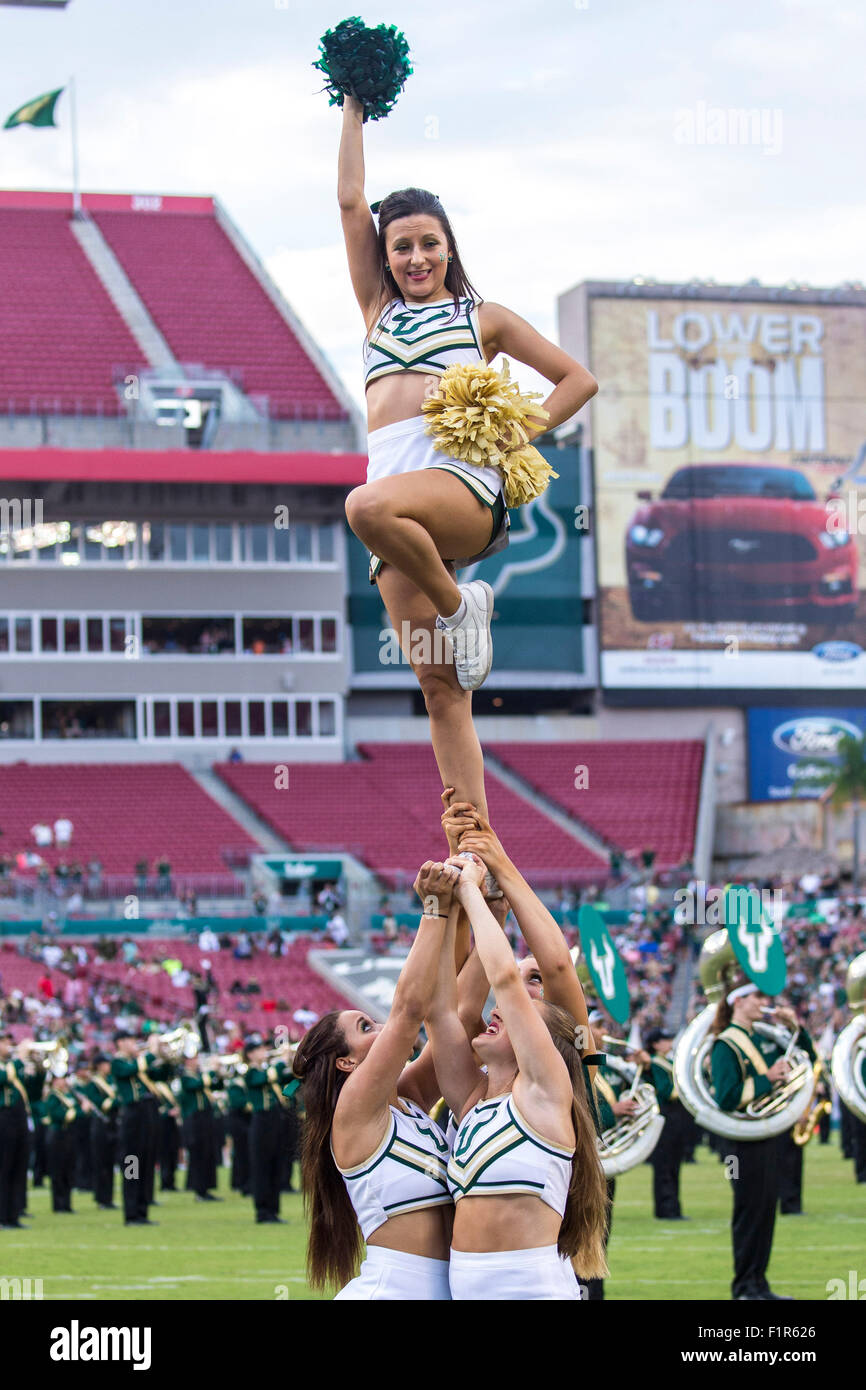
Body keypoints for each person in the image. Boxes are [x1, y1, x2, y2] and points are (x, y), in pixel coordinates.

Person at [337, 96, 597, 816]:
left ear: (449, 246)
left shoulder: (482, 318)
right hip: (400, 521)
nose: (414, 257)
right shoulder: (377, 314)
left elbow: (580, 380)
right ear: (385, 257)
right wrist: (354, 104)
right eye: (401, 247)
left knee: (362, 505)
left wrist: (521, 431)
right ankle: (473, 842)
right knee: (442, 689)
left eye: (428, 243)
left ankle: (463, 606)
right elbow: (352, 201)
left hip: (460, 495)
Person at [427, 853, 608, 1300]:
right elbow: (442, 1013)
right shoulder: (473, 1101)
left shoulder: (547, 1094)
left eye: (512, 1017)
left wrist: (470, 890)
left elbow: (506, 980)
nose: (496, 1012)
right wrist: (443, 908)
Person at [290, 860, 461, 1299]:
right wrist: (432, 908)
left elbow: (460, 1019)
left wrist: (482, 907)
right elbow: (407, 1012)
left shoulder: (406, 1101)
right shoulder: (354, 1112)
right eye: (366, 1028)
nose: (381, 1029)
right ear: (345, 1064)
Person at [711, 981, 812, 1301]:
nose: (763, 1002)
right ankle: (744, 1287)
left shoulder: (762, 1037)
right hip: (739, 1145)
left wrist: (797, 1028)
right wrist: (768, 1078)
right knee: (749, 1212)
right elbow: (726, 1098)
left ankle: (759, 1284)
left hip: (767, 1136)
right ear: (738, 1001)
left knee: (766, 1211)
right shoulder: (726, 1044)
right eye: (756, 997)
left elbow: (807, 1058)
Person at [244, 1035, 292, 1224]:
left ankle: (273, 1210)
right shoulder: (250, 1072)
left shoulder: (270, 1072)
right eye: (259, 1050)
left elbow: (289, 1087)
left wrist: (296, 1069)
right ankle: (262, 1211)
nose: (264, 1052)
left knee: (275, 1165)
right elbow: (264, 1078)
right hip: (260, 1121)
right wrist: (281, 1061)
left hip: (275, 1121)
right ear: (250, 1054)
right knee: (262, 1166)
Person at [645, 1026, 689, 1220]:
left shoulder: (668, 1062)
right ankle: (666, 1208)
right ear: (655, 1044)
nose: (669, 1043)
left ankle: (674, 1207)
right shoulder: (655, 1063)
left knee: (674, 1164)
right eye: (664, 1040)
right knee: (664, 1165)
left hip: (676, 1117)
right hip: (665, 1116)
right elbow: (665, 1090)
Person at [0, 1031, 32, 1229]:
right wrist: (20, 1057)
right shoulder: (10, 1067)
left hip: (19, 1119)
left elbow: (33, 1091)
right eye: (3, 1042)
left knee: (18, 1166)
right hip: (3, 1119)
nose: (7, 1045)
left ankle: (13, 1214)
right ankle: (2, 1216)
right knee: (4, 1167)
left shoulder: (13, 1066)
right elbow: (4, 1078)